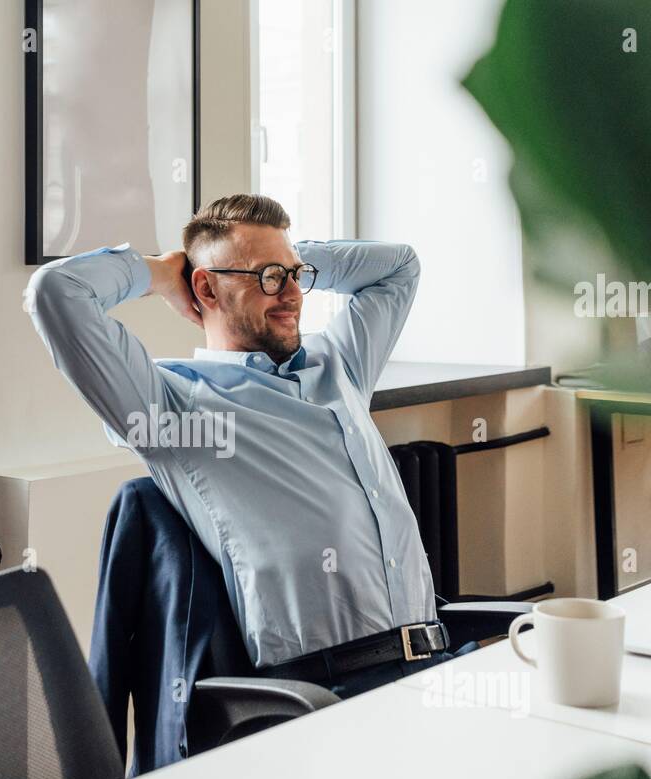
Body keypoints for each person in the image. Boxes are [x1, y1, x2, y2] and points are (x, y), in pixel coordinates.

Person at [25, 193, 473, 697]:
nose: (292, 295)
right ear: (205, 289)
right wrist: (160, 272)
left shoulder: (340, 365)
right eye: (268, 279)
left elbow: (399, 267)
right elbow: (55, 291)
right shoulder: (171, 409)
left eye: (294, 276)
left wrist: (285, 261)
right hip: (328, 693)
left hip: (438, 661)